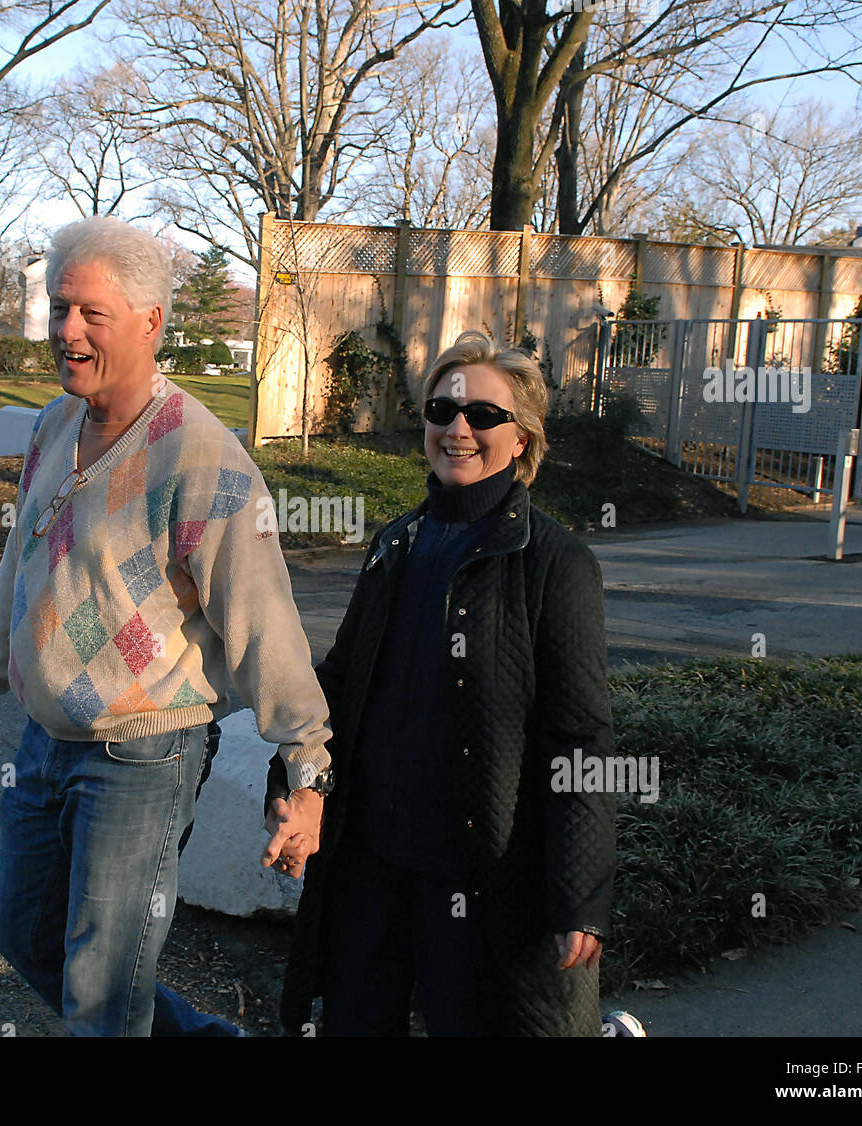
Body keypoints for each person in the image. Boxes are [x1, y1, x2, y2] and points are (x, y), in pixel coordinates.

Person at [0, 215, 334, 1037]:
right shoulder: (54, 427)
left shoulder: (201, 459)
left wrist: (308, 770)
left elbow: (265, 624)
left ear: (151, 322)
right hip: (48, 743)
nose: (66, 331)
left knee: (104, 982)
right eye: (58, 308)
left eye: (90, 313)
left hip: (144, 752)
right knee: (23, 936)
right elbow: (18, 572)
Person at [262, 330, 617, 1036]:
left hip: (479, 875)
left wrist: (581, 894)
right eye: (441, 410)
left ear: (522, 439)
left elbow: (581, 737)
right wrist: (292, 782)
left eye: (484, 415)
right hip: (370, 864)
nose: (458, 428)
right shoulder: (395, 542)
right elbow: (341, 684)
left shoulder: (556, 562)